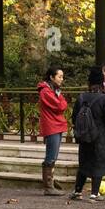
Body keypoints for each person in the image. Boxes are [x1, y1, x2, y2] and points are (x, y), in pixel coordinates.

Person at [70, 67, 105, 201]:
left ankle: (77, 191)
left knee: (84, 162)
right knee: (98, 163)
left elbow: (74, 117)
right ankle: (94, 193)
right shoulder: (104, 99)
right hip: (100, 137)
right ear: (101, 82)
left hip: (85, 136)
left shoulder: (81, 97)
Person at [37, 67, 67, 195]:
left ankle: (50, 181)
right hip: (51, 125)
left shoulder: (53, 90)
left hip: (56, 124)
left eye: (62, 76)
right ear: (51, 77)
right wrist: (60, 99)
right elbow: (61, 106)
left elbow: (63, 104)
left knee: (53, 155)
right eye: (59, 76)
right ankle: (48, 186)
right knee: (51, 155)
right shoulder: (46, 91)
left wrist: (60, 99)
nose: (62, 79)